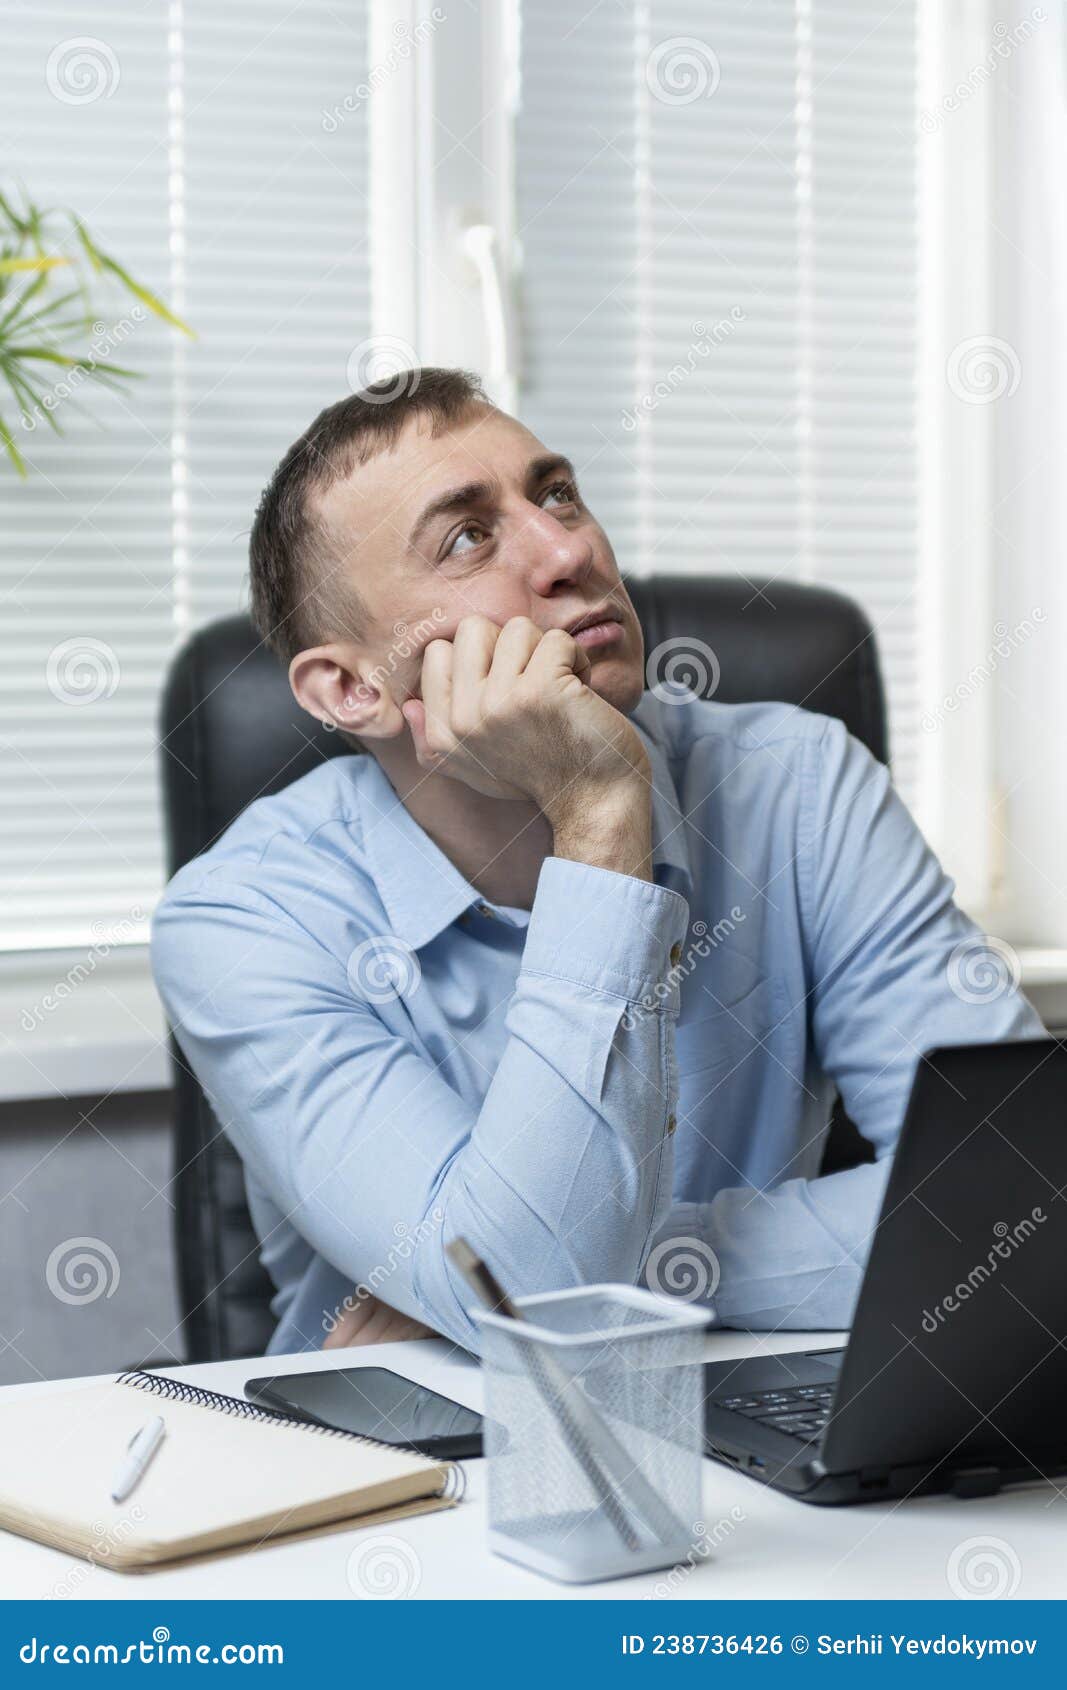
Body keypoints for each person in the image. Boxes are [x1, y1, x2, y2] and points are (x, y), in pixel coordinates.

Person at [151, 368, 1044, 1356]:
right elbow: (539, 1290)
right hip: (413, 1461)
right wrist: (597, 815)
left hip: (746, 1413)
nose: (566, 548)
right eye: (466, 536)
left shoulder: (798, 786)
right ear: (350, 688)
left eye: (555, 493)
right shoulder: (242, 918)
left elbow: (1021, 1202)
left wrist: (638, 1257)